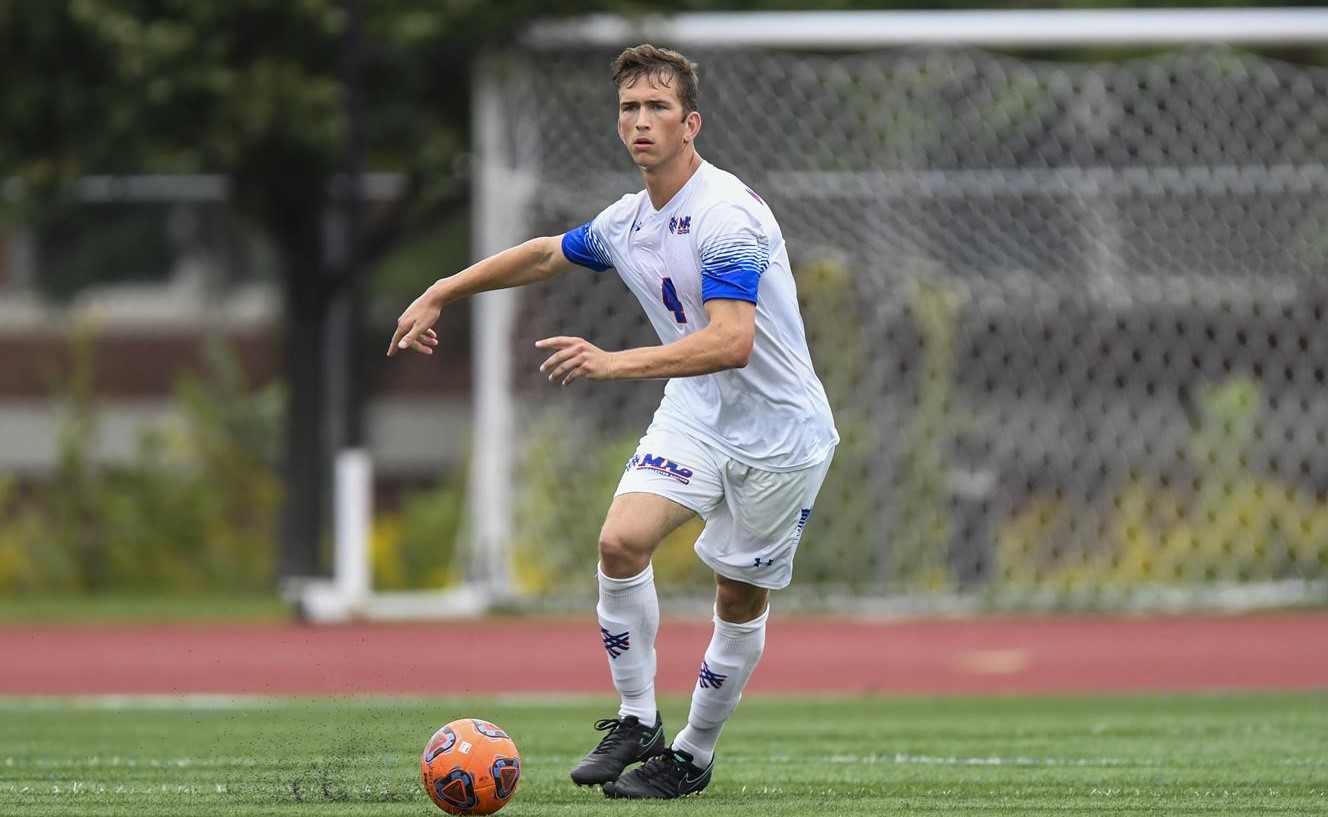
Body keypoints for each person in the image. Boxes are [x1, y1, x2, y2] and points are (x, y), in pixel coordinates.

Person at [388, 44, 838, 800]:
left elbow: (734, 341)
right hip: (697, 415)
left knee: (737, 599)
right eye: (629, 108)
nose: (640, 121)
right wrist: (441, 289)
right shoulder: (630, 221)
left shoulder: (726, 217)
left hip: (780, 437)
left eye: (658, 107)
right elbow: (542, 255)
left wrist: (610, 361)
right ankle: (636, 717)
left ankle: (691, 755)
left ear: (690, 123)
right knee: (620, 540)